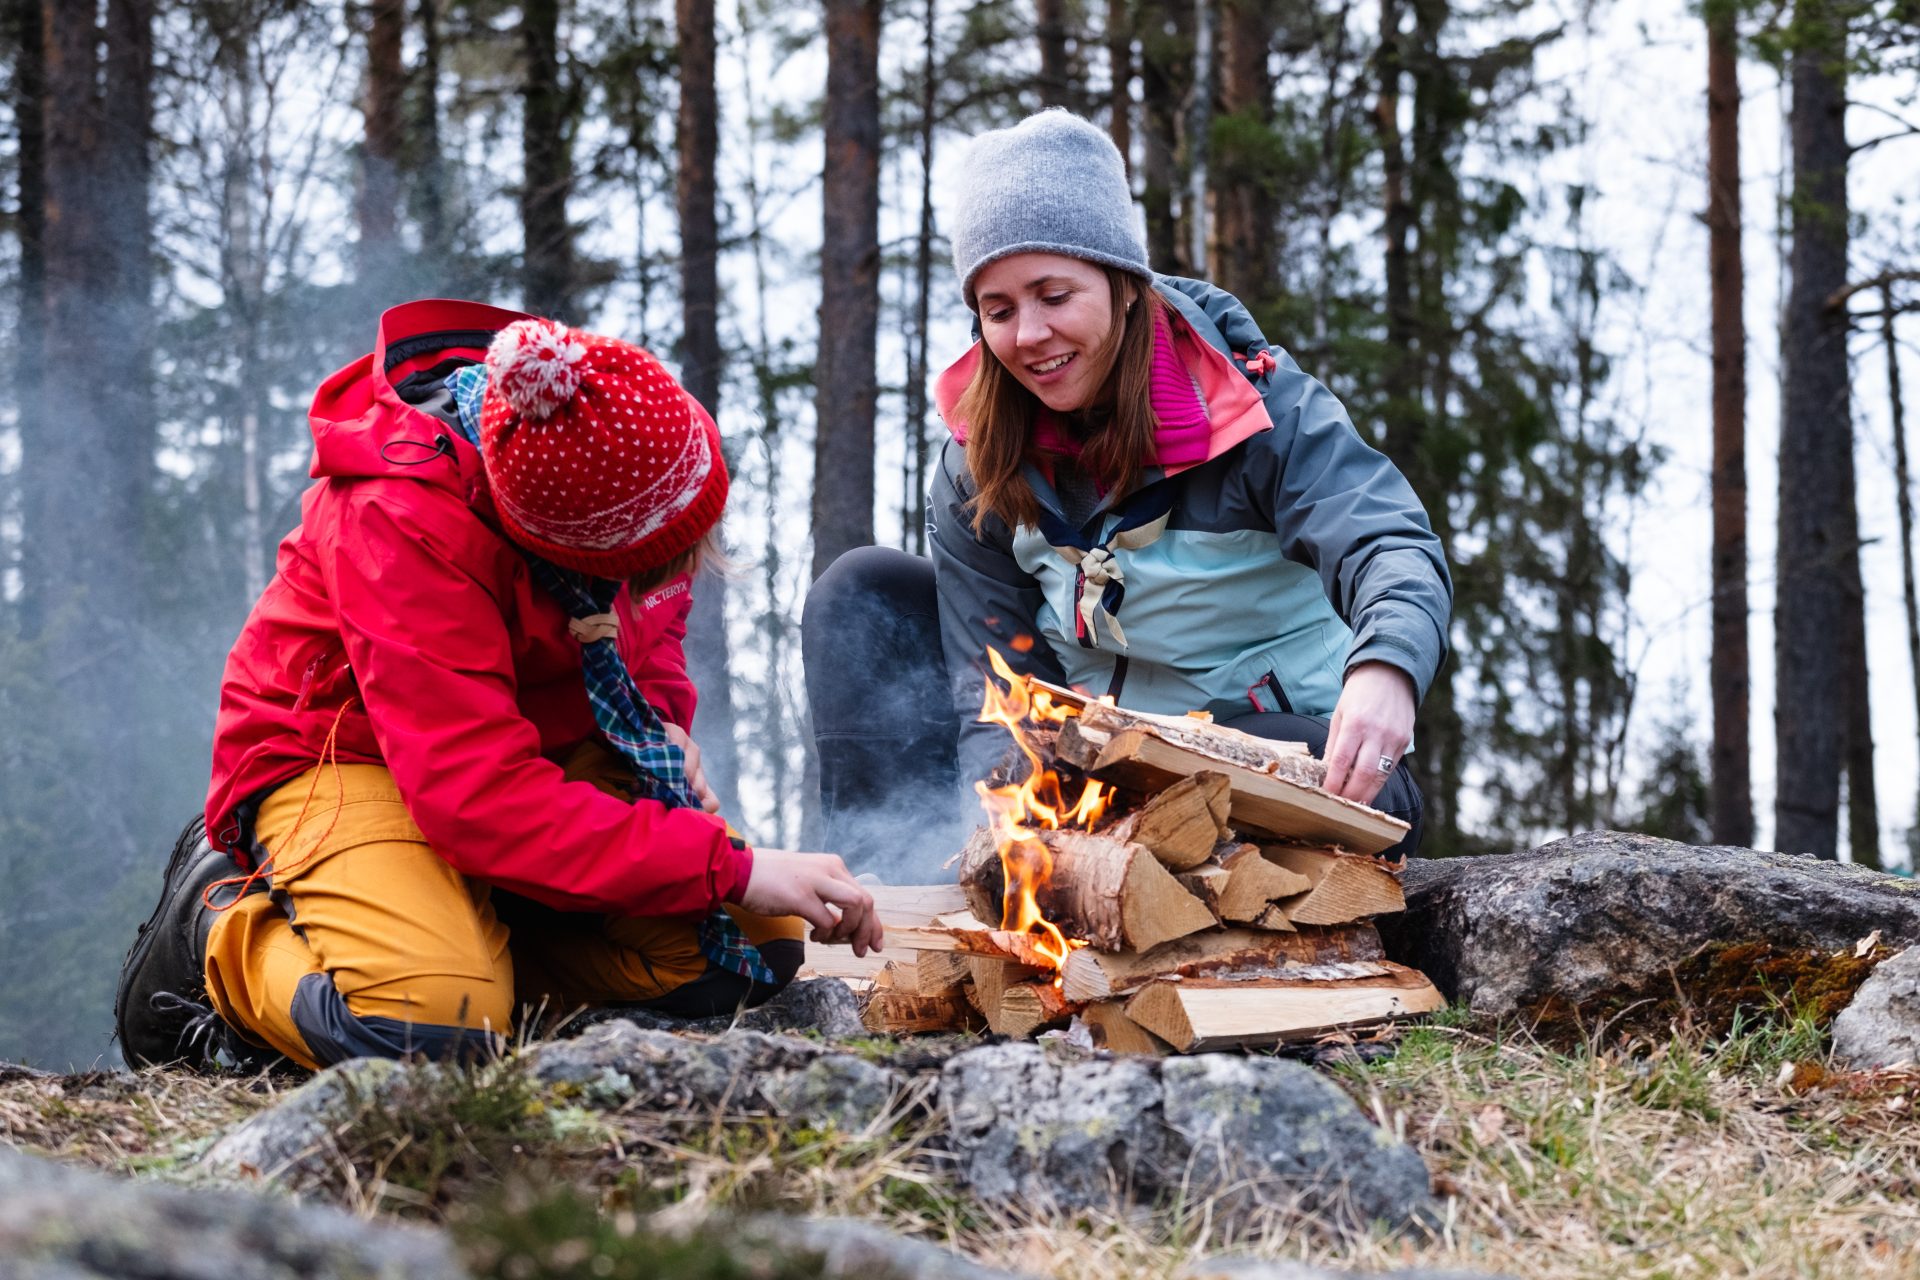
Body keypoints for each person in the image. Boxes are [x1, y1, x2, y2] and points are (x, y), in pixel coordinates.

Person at [117, 301, 881, 1073]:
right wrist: (737, 866)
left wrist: (661, 727)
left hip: (521, 758)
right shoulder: (399, 515)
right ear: (566, 552)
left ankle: (457, 951)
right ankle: (221, 932)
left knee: (748, 947)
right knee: (429, 1031)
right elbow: (476, 796)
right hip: (343, 755)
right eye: (659, 561)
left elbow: (654, 629)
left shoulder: (626, 443)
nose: (688, 572)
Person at [804, 110, 1450, 872]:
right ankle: (882, 897)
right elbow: (996, 684)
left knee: (1286, 768)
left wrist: (1387, 671)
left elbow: (1388, 543)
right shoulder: (976, 463)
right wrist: (1009, 816)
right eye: (999, 310)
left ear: (1123, 285)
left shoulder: (1262, 416)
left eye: (1054, 294)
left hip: (1277, 747)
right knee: (865, 591)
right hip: (1091, 764)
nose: (1030, 335)